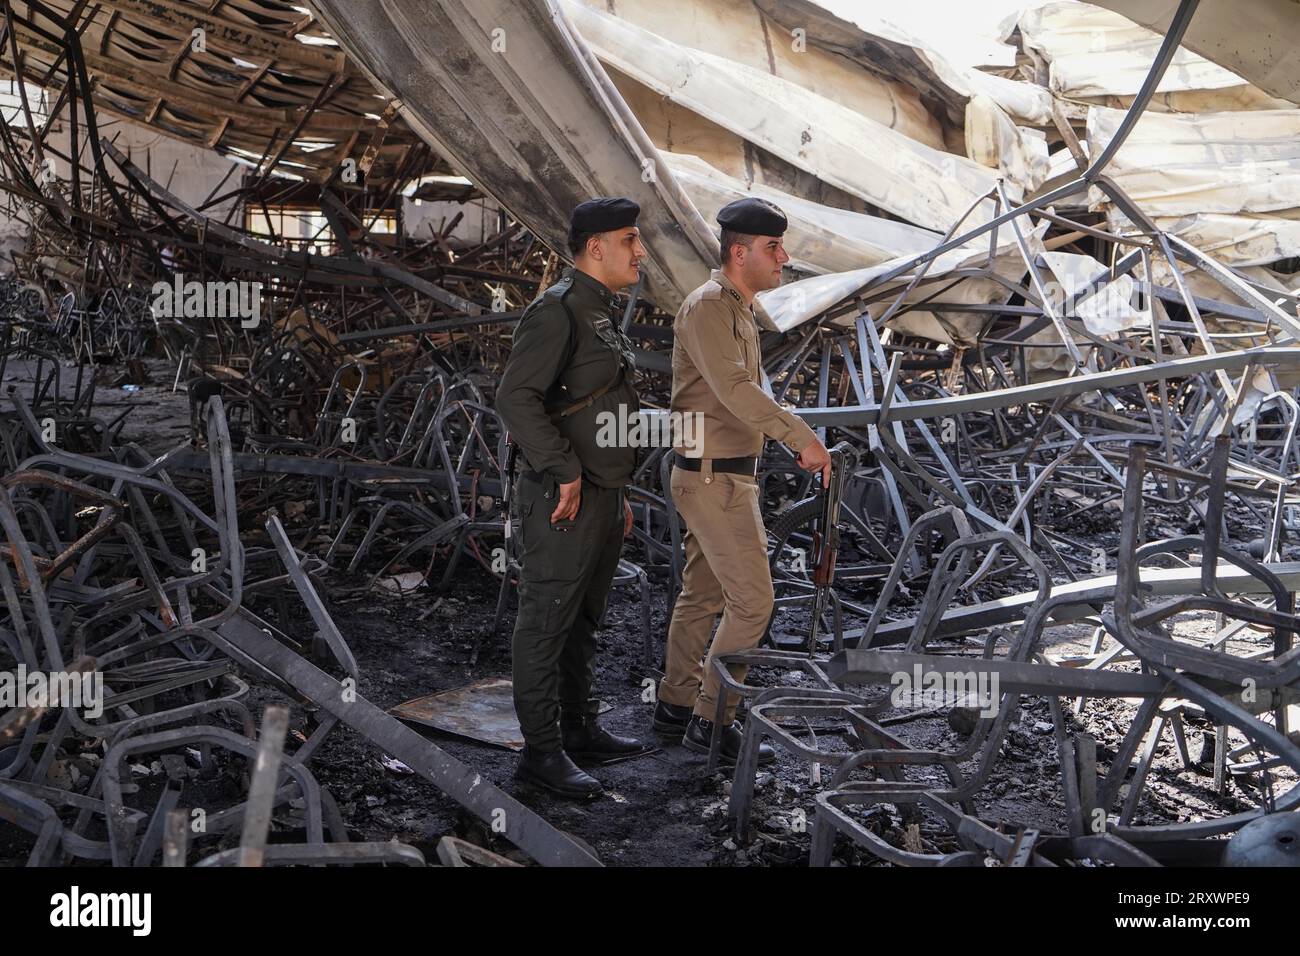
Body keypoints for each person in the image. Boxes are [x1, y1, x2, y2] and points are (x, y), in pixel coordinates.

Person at [652, 197, 832, 764]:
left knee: (703, 595)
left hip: (717, 476)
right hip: (714, 482)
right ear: (740, 252)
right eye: (772, 248)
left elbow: (734, 394)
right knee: (754, 602)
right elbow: (735, 389)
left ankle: (676, 705)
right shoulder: (710, 307)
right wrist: (798, 435)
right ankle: (713, 718)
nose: (784, 258)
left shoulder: (735, 309)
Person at [496, 197, 649, 797]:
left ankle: (581, 728)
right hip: (564, 499)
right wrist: (563, 469)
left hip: (602, 495)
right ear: (595, 247)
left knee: (584, 620)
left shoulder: (600, 311)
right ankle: (541, 753)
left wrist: (617, 491)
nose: (640, 252)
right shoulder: (556, 311)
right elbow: (515, 399)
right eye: (630, 239)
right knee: (546, 622)